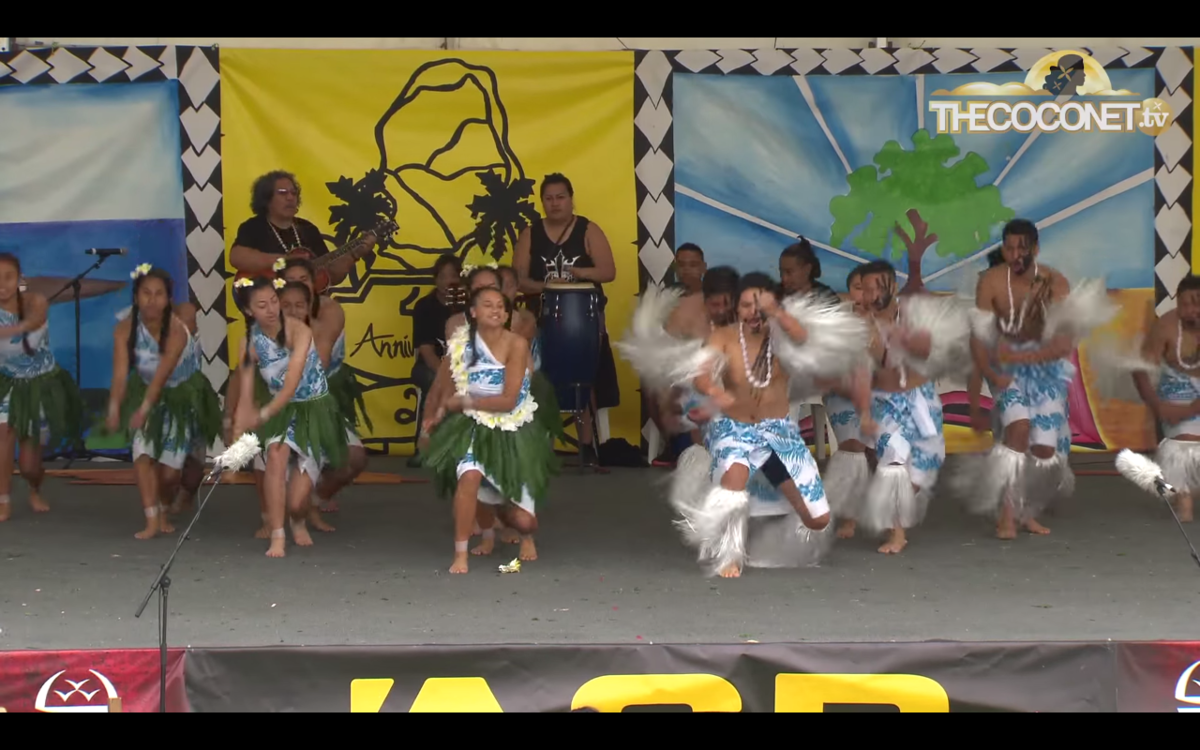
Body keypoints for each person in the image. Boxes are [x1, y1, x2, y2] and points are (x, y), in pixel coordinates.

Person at [673, 273, 872, 577]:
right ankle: (729, 554)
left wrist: (776, 313)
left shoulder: (783, 339)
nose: (753, 311)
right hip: (735, 430)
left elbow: (804, 338)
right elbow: (701, 374)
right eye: (746, 305)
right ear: (736, 309)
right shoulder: (723, 337)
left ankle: (778, 526)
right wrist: (714, 391)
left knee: (817, 519)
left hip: (778, 433)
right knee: (734, 477)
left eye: (760, 304)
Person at [420, 285, 559, 574]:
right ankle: (462, 553)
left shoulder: (516, 344)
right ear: (472, 312)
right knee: (469, 478)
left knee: (524, 520)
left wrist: (466, 402)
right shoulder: (460, 344)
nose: (496, 309)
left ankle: (525, 534)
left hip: (512, 424)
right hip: (472, 422)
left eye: (500, 306)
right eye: (487, 305)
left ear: (507, 314)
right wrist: (439, 413)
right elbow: (448, 384)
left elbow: (508, 400)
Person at [967, 219, 1082, 539]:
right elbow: (978, 338)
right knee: (1018, 429)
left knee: (1044, 450)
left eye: (1022, 247)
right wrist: (991, 373)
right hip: (1005, 369)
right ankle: (1007, 514)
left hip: (1046, 369)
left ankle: (1027, 511)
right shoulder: (990, 281)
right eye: (1009, 247)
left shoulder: (1056, 282)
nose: (1015, 254)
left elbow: (1063, 342)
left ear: (1036, 248)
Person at [230, 276, 352, 558]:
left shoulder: (300, 331)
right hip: (281, 410)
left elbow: (291, 385)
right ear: (250, 312)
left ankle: (297, 519)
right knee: (275, 454)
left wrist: (264, 414)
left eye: (274, 301)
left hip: (312, 409)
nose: (272, 309)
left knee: (296, 503)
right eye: (262, 305)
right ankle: (277, 535)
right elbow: (246, 394)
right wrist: (237, 439)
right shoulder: (249, 343)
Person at [856, 260, 970, 554]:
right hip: (886, 405)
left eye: (877, 287)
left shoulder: (911, 313)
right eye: (866, 289)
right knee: (893, 462)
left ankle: (892, 509)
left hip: (920, 400)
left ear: (892, 286)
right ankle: (897, 533)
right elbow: (861, 373)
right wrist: (866, 413)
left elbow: (925, 349)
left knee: (924, 466)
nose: (871, 294)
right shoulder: (860, 326)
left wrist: (902, 336)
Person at [105, 265, 221, 539]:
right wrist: (114, 410)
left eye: (159, 294)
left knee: (174, 475)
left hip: (182, 396)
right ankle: (152, 518)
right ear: (136, 297)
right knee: (143, 455)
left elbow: (162, 376)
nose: (152, 299)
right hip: (148, 393)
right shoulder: (124, 329)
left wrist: (143, 409)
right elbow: (120, 375)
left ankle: (168, 501)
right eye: (146, 293)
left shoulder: (177, 330)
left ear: (169, 300)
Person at [513, 173, 619, 464]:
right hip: (541, 314)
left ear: (571, 199)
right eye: (549, 198)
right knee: (537, 370)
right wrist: (549, 286)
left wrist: (577, 275)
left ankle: (586, 447)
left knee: (581, 372)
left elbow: (608, 271)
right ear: (542, 202)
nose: (555, 203)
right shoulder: (530, 233)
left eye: (561, 197)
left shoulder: (588, 230)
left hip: (582, 316)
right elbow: (518, 279)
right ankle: (535, 441)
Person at [279, 259, 371, 530]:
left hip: (319, 397)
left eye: (304, 279)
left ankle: (315, 500)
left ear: (315, 283)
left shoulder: (329, 310)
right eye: (291, 280)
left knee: (354, 456)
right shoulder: (271, 314)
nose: (298, 285)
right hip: (279, 402)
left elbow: (320, 358)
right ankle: (272, 518)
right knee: (277, 461)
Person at [0, 253, 84, 522]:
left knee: (28, 465)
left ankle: (34, 486)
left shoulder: (34, 301)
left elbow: (34, 322)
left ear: (19, 279)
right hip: (8, 384)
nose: (2, 284)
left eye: (8, 277)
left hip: (41, 385)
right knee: (3, 440)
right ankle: (3, 500)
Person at [1129, 274, 1200, 523]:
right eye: (1184, 303)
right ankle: (1184, 500)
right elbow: (1139, 370)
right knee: (1185, 445)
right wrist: (1158, 406)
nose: (1189, 310)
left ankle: (1186, 488)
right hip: (1176, 389)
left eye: (1196, 302)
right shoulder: (1166, 327)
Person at [228, 170, 376, 284]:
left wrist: (354, 255)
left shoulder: (308, 229)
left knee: (331, 310)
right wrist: (286, 261)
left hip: (306, 305)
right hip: (269, 305)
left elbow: (331, 276)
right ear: (266, 199)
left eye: (294, 193)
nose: (290, 197)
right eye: (282, 193)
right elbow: (237, 257)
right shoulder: (254, 227)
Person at [824, 266, 877, 539]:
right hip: (841, 393)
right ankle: (848, 516)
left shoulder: (886, 320)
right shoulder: (837, 320)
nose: (864, 294)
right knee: (853, 449)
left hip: (879, 395)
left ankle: (881, 512)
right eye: (858, 287)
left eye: (870, 287)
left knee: (878, 454)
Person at [409, 254, 462, 467]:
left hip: (463, 368)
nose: (448, 281)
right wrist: (445, 375)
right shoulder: (424, 306)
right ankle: (424, 447)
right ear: (435, 280)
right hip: (430, 366)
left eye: (453, 276)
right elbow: (425, 349)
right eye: (442, 276)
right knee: (433, 381)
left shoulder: (468, 306)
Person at [779, 239, 839, 303]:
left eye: (789, 272)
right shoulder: (774, 294)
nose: (784, 278)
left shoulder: (826, 299)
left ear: (807, 269)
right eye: (781, 272)